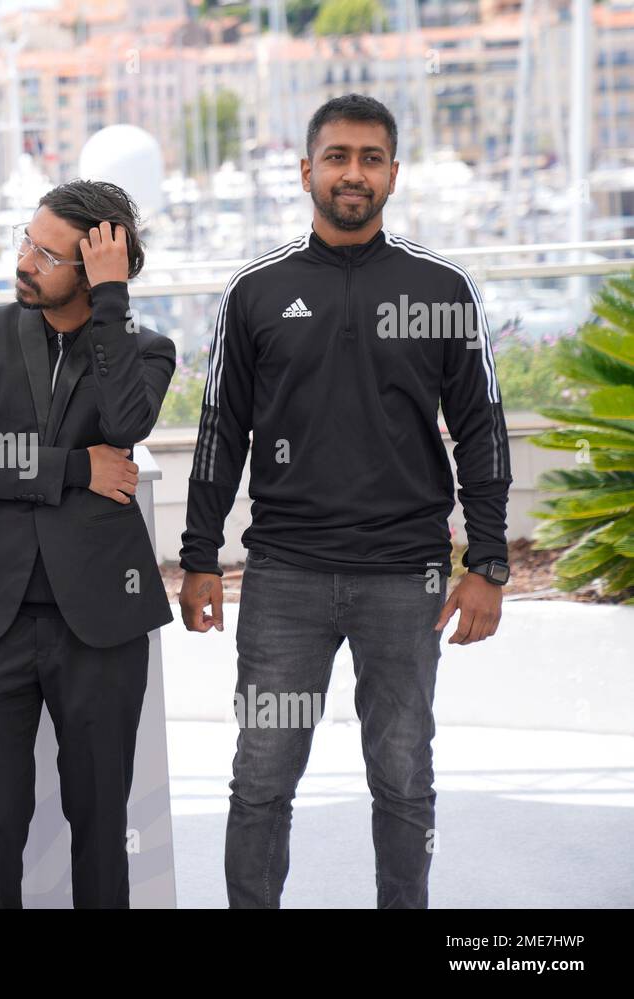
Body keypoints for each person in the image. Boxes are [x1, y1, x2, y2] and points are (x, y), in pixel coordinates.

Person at [179, 94, 513, 908]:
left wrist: (490, 562)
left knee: (403, 780)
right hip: (285, 579)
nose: (352, 172)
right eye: (337, 156)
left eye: (370, 157)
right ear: (306, 171)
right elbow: (221, 433)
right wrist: (197, 559)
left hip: (405, 579)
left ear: (393, 173)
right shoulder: (255, 292)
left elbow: (482, 432)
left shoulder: (441, 287)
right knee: (261, 779)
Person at [0, 180, 176, 908]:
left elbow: (125, 421)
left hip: (101, 623)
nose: (25, 259)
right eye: (26, 240)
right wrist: (76, 467)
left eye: (46, 253)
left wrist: (111, 303)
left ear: (98, 270)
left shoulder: (146, 349)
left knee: (102, 822)